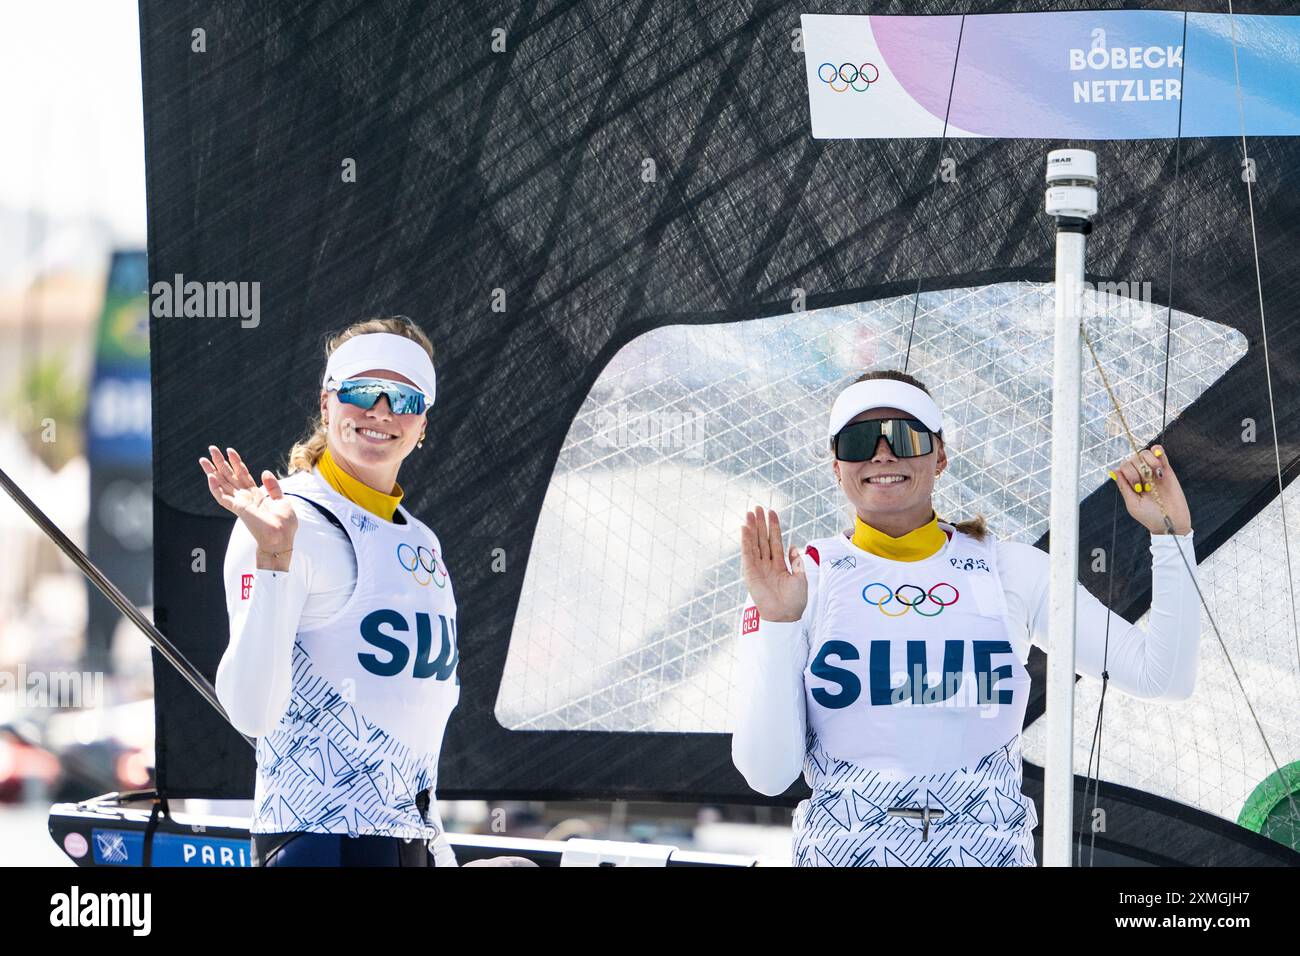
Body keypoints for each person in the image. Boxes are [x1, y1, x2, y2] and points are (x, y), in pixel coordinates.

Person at [732, 369, 1200, 867]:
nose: (882, 454)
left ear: (940, 457)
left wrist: (1173, 537)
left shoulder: (1011, 570)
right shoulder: (799, 580)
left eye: (906, 436)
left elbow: (1162, 676)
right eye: (859, 439)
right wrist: (779, 624)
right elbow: (767, 774)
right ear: (835, 465)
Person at [204, 316, 461, 867]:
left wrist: (442, 856)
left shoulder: (423, 543)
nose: (381, 412)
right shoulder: (285, 519)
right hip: (316, 847)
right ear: (327, 405)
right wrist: (274, 559)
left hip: (406, 847)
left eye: (405, 398)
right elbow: (250, 712)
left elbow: (415, 738)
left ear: (423, 424)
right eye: (363, 391)